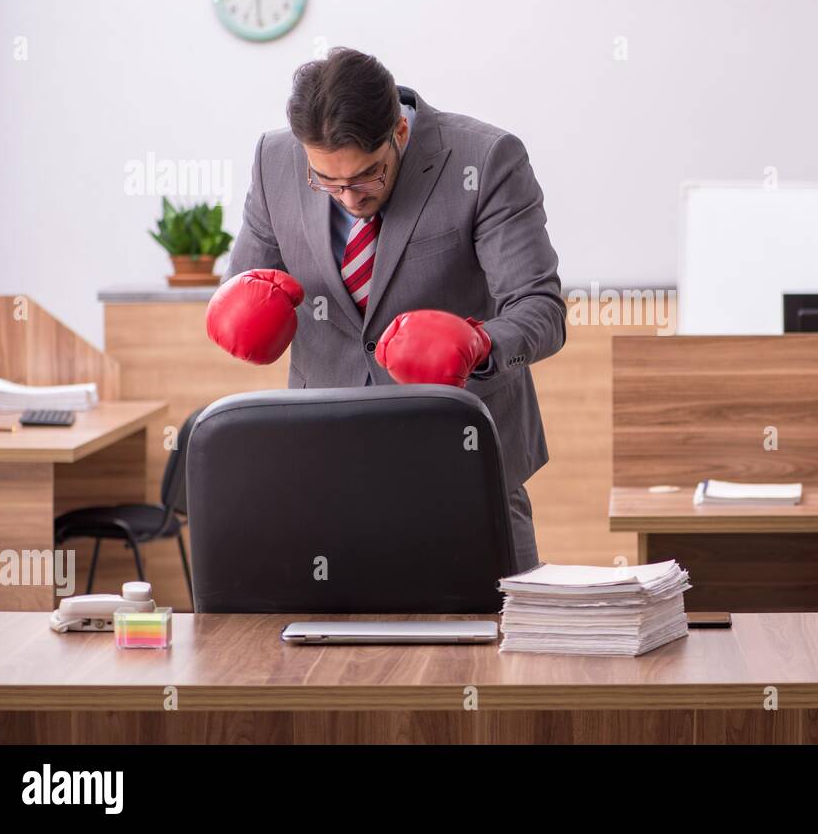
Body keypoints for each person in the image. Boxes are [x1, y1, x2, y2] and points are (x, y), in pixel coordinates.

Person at [206, 47, 564, 570]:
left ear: (399, 131)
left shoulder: (484, 159)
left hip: (462, 463)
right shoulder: (274, 160)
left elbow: (541, 307)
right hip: (323, 467)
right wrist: (235, 304)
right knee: (330, 648)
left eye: (367, 176)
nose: (348, 197)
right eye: (326, 181)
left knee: (497, 642)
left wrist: (480, 344)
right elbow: (246, 280)